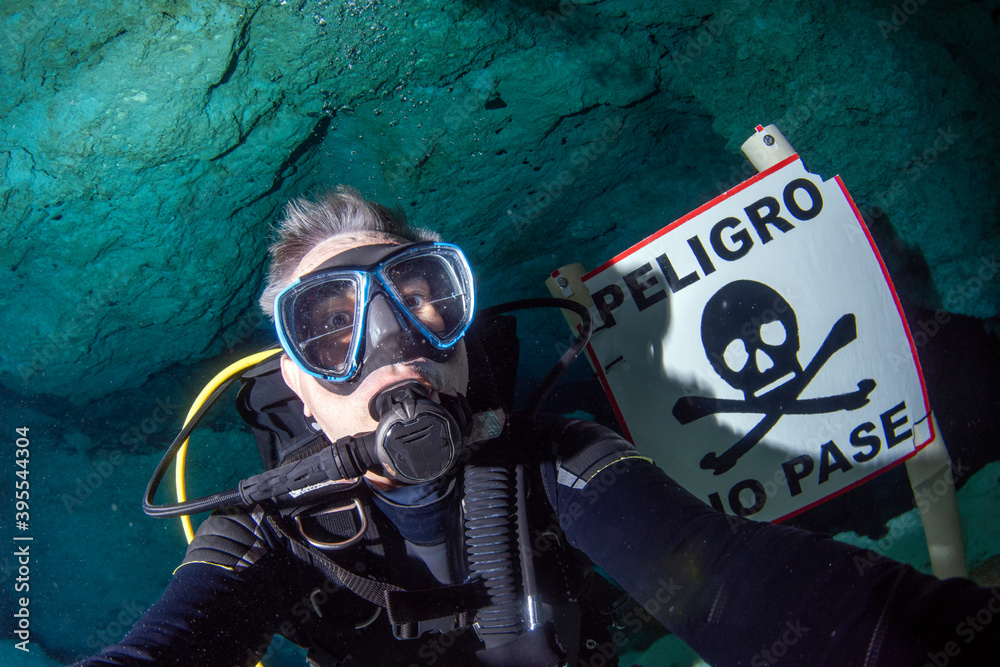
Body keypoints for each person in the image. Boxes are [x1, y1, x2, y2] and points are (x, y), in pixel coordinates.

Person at [77, 187, 1000, 666]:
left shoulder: (557, 457)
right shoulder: (268, 525)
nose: (392, 340)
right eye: (331, 326)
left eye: (418, 295)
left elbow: (718, 580)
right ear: (301, 389)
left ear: (463, 335)